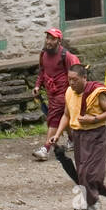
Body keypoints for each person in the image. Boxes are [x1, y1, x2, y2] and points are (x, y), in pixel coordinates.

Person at [49, 63, 106, 210]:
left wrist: (93, 119)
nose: (72, 83)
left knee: (90, 172)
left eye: (75, 80)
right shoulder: (69, 92)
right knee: (81, 172)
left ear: (84, 78)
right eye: (69, 79)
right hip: (78, 135)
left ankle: (94, 202)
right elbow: (66, 115)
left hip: (96, 134)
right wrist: (57, 134)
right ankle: (88, 200)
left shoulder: (96, 93)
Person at [32, 27, 79, 161]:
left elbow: (76, 74)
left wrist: (74, 93)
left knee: (54, 119)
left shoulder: (66, 56)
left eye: (52, 39)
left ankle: (45, 149)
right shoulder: (43, 54)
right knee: (65, 117)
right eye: (47, 38)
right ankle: (73, 140)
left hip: (63, 94)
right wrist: (37, 85)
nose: (48, 41)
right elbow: (42, 71)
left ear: (59, 41)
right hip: (51, 93)